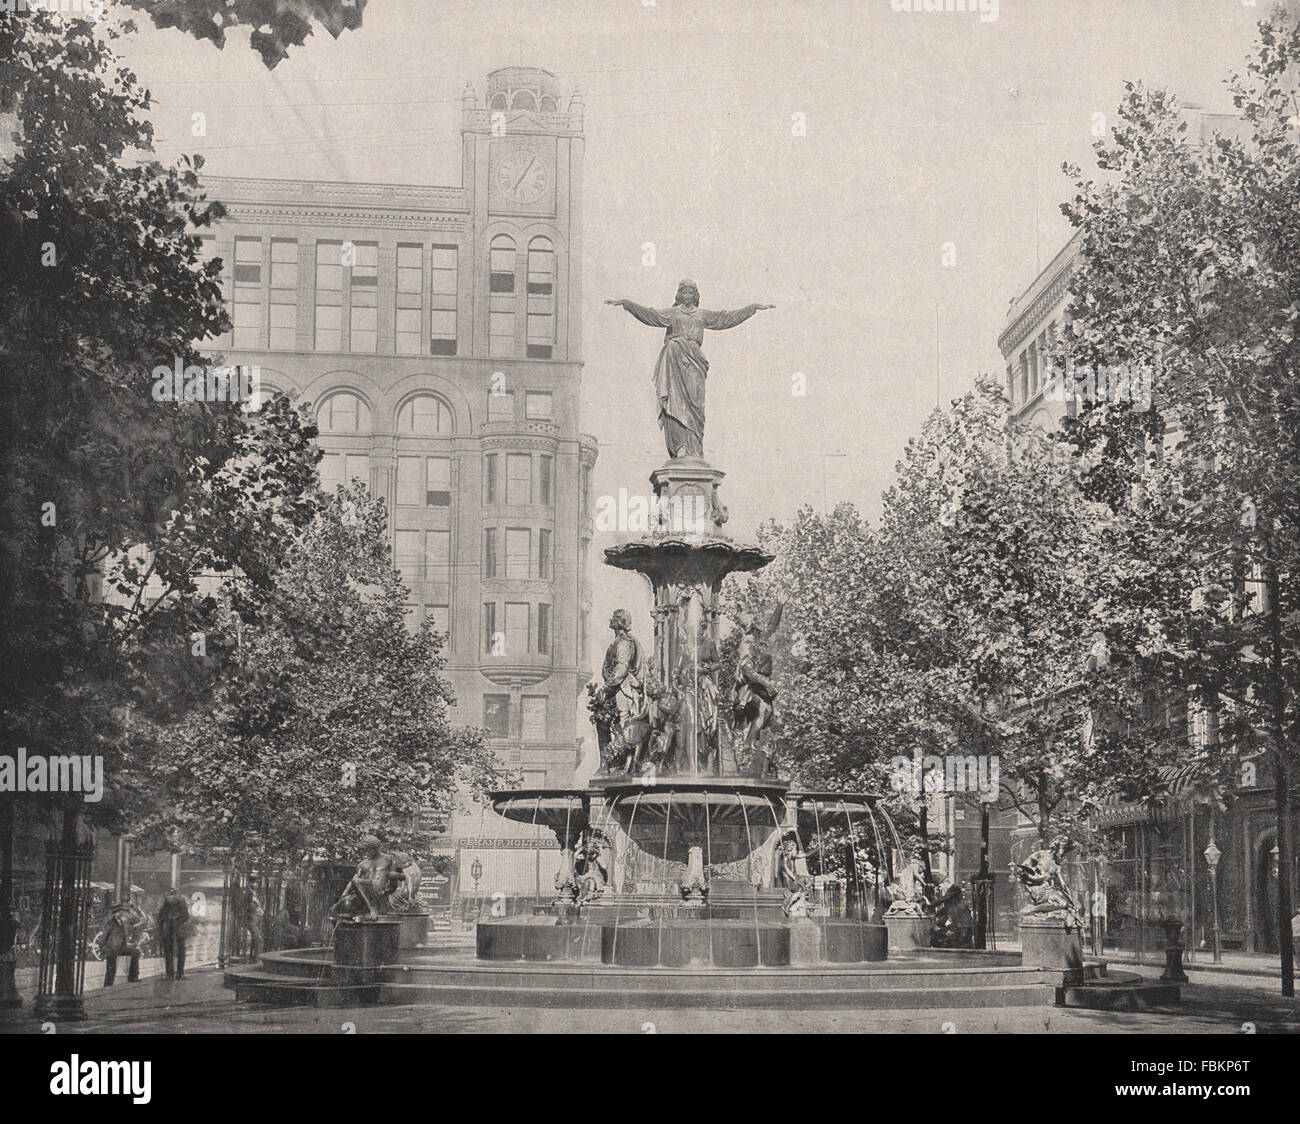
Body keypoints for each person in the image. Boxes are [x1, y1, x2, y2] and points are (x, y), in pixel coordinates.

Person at [606, 281, 774, 459]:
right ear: (679, 294)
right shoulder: (672, 313)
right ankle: (681, 447)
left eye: (691, 292)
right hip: (675, 360)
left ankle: (695, 448)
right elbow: (650, 315)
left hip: (695, 363)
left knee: (696, 405)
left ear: (696, 295)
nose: (687, 295)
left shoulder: (701, 314)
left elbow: (726, 318)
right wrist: (627, 304)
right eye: (684, 292)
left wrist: (751, 309)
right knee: (675, 403)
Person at [97, 899, 146, 987]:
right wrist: (103, 948)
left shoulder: (121, 922)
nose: (122, 914)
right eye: (120, 912)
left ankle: (133, 976)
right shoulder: (111, 923)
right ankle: (108, 984)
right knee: (111, 968)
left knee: (136, 952)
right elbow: (103, 937)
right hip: (112, 949)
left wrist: (129, 943)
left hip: (121, 947)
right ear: (115, 913)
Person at [156, 887, 190, 979]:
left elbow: (160, 918)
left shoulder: (164, 903)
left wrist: (160, 931)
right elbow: (186, 916)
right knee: (181, 951)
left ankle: (169, 973)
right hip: (179, 929)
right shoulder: (182, 901)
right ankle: (180, 973)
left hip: (168, 929)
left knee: (168, 951)